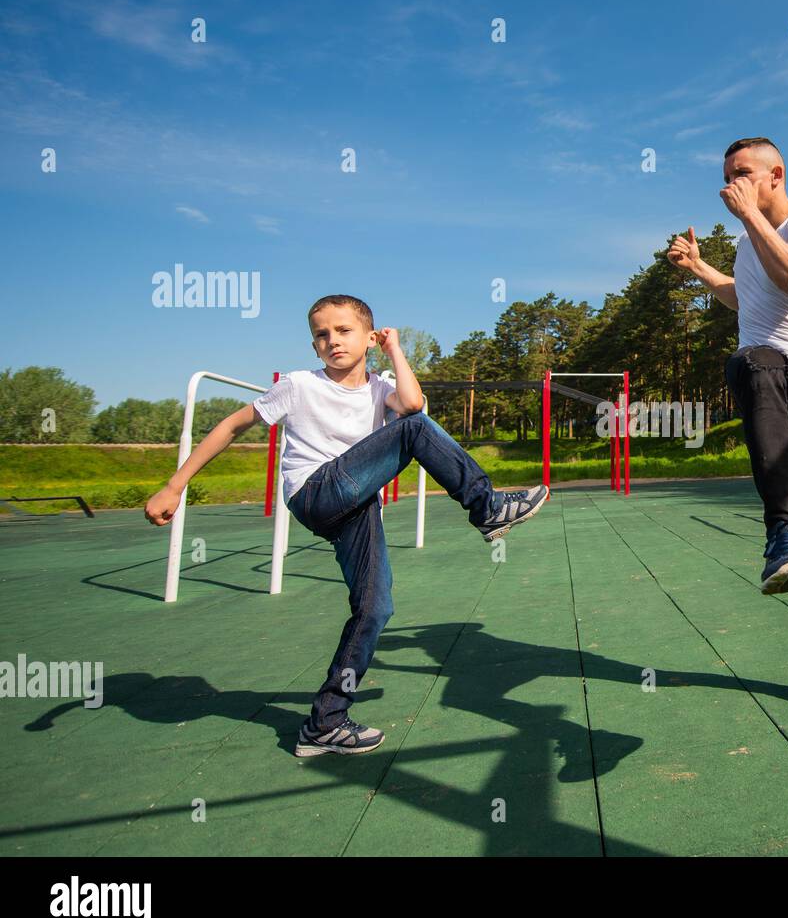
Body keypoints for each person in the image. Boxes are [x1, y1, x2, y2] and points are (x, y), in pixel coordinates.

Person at [144, 294, 548, 756]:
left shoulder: (381, 387)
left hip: (354, 505)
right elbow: (233, 426)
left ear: (368, 338)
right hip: (315, 491)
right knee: (415, 430)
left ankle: (324, 723)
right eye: (321, 334)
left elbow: (412, 402)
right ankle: (486, 507)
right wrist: (176, 485)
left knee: (375, 609)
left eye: (343, 331)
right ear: (313, 345)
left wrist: (395, 349)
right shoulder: (298, 385)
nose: (331, 341)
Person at [666, 137, 788, 719]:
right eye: (727, 175)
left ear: (776, 174)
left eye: (743, 173)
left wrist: (751, 216)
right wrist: (701, 267)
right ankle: (781, 532)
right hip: (767, 373)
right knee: (753, 358)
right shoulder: (749, 246)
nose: (731, 185)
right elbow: (745, 298)